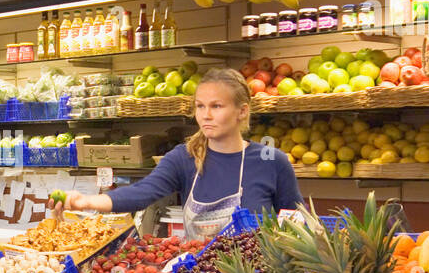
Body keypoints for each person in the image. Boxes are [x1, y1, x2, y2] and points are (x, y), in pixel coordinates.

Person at [52, 67, 301, 240]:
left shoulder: (272, 161)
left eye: (216, 106)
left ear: (242, 111)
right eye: (200, 106)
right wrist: (86, 201)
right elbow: (142, 193)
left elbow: (296, 224)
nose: (205, 115)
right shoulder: (184, 158)